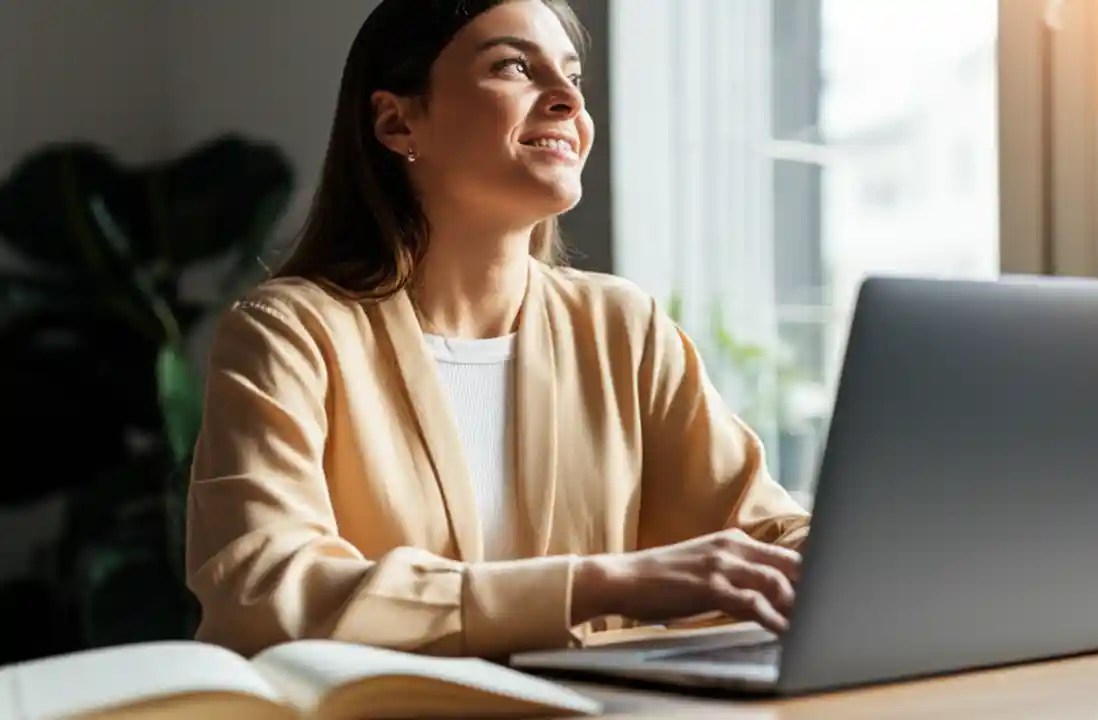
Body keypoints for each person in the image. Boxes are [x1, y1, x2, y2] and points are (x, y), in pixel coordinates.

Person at [185, 0, 810, 660]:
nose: (568, 98)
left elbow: (764, 531)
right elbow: (266, 588)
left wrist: (863, 561)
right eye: (514, 66)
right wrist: (595, 585)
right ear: (398, 122)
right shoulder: (290, 333)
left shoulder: (623, 329)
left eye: (572, 75)